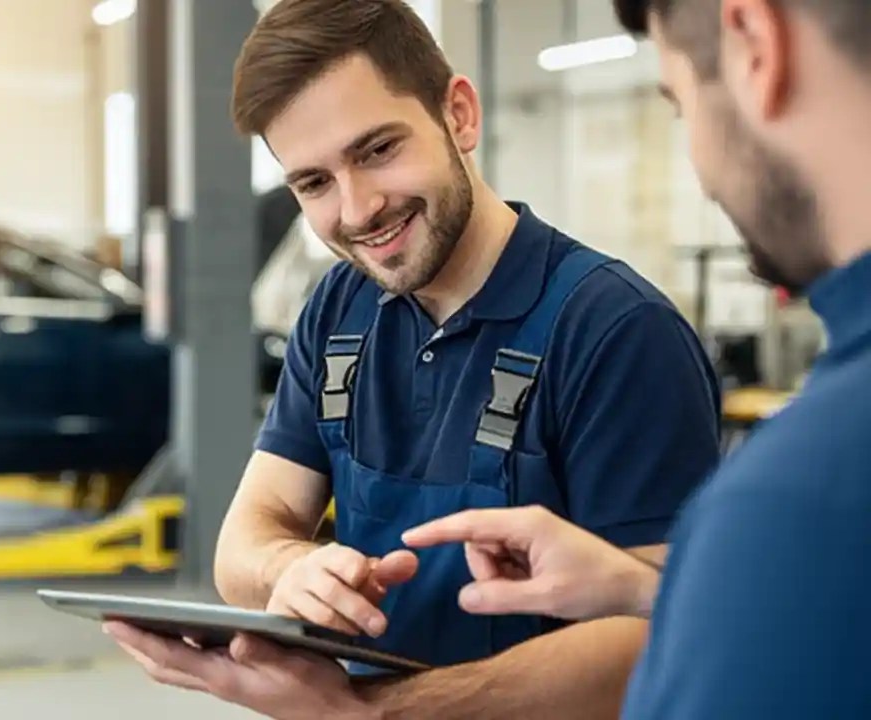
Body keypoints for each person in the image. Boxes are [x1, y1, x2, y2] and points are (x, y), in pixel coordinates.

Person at [105, 0, 722, 717]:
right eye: (314, 183)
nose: (357, 209)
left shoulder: (616, 332)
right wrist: (293, 567)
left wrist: (372, 711)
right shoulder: (337, 312)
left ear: (459, 115)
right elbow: (246, 538)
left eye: (376, 151)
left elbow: (652, 641)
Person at [400, 0, 871, 717]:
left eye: (681, 107)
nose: (702, 172)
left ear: (755, 43)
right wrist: (649, 586)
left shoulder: (799, 503)